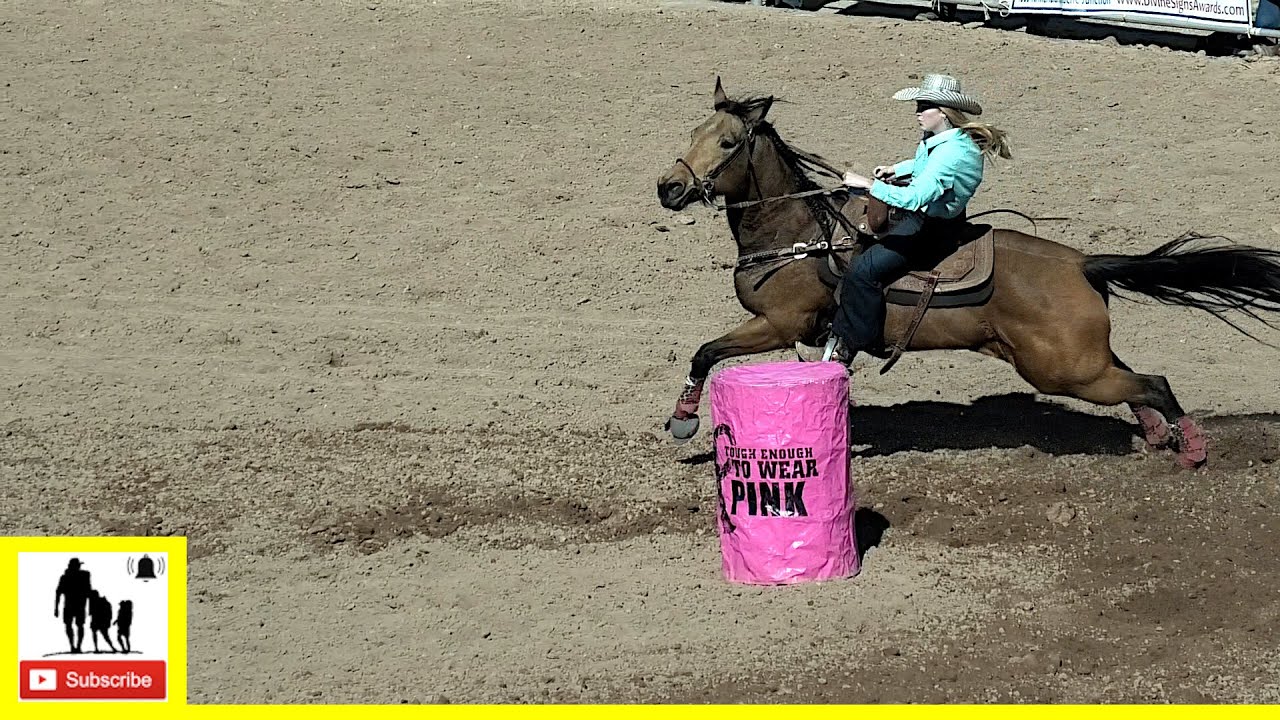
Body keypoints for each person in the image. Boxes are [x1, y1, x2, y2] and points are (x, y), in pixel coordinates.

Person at [797, 73, 1011, 366]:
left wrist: (869, 185)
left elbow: (914, 198)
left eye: (924, 106)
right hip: (941, 220)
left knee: (862, 270)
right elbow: (925, 166)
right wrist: (897, 169)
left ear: (944, 112)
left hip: (930, 229)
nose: (918, 112)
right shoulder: (946, 140)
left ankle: (848, 348)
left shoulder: (949, 154)